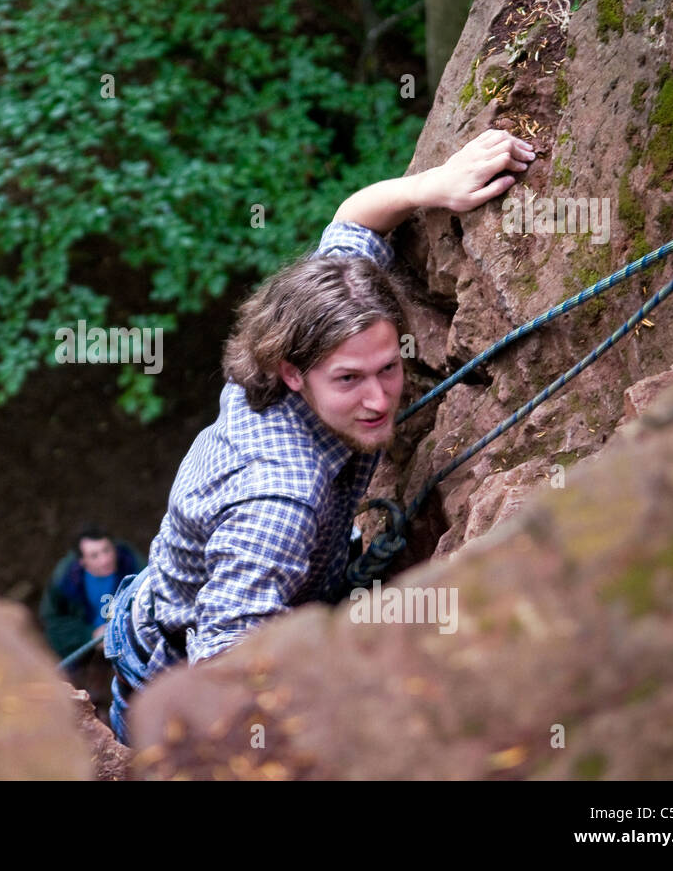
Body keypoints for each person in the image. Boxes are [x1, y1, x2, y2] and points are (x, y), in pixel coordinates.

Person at [102, 129, 537, 745]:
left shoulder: (291, 348)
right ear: (292, 373)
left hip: (178, 605)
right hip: (170, 680)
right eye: (350, 380)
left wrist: (434, 186)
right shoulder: (281, 505)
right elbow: (225, 666)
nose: (380, 397)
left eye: (389, 367)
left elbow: (353, 220)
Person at [39, 525, 144, 661]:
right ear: (82, 561)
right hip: (85, 649)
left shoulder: (134, 567)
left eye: (107, 550)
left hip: (128, 645)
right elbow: (53, 622)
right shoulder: (65, 581)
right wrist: (89, 635)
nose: (105, 560)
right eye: (94, 556)